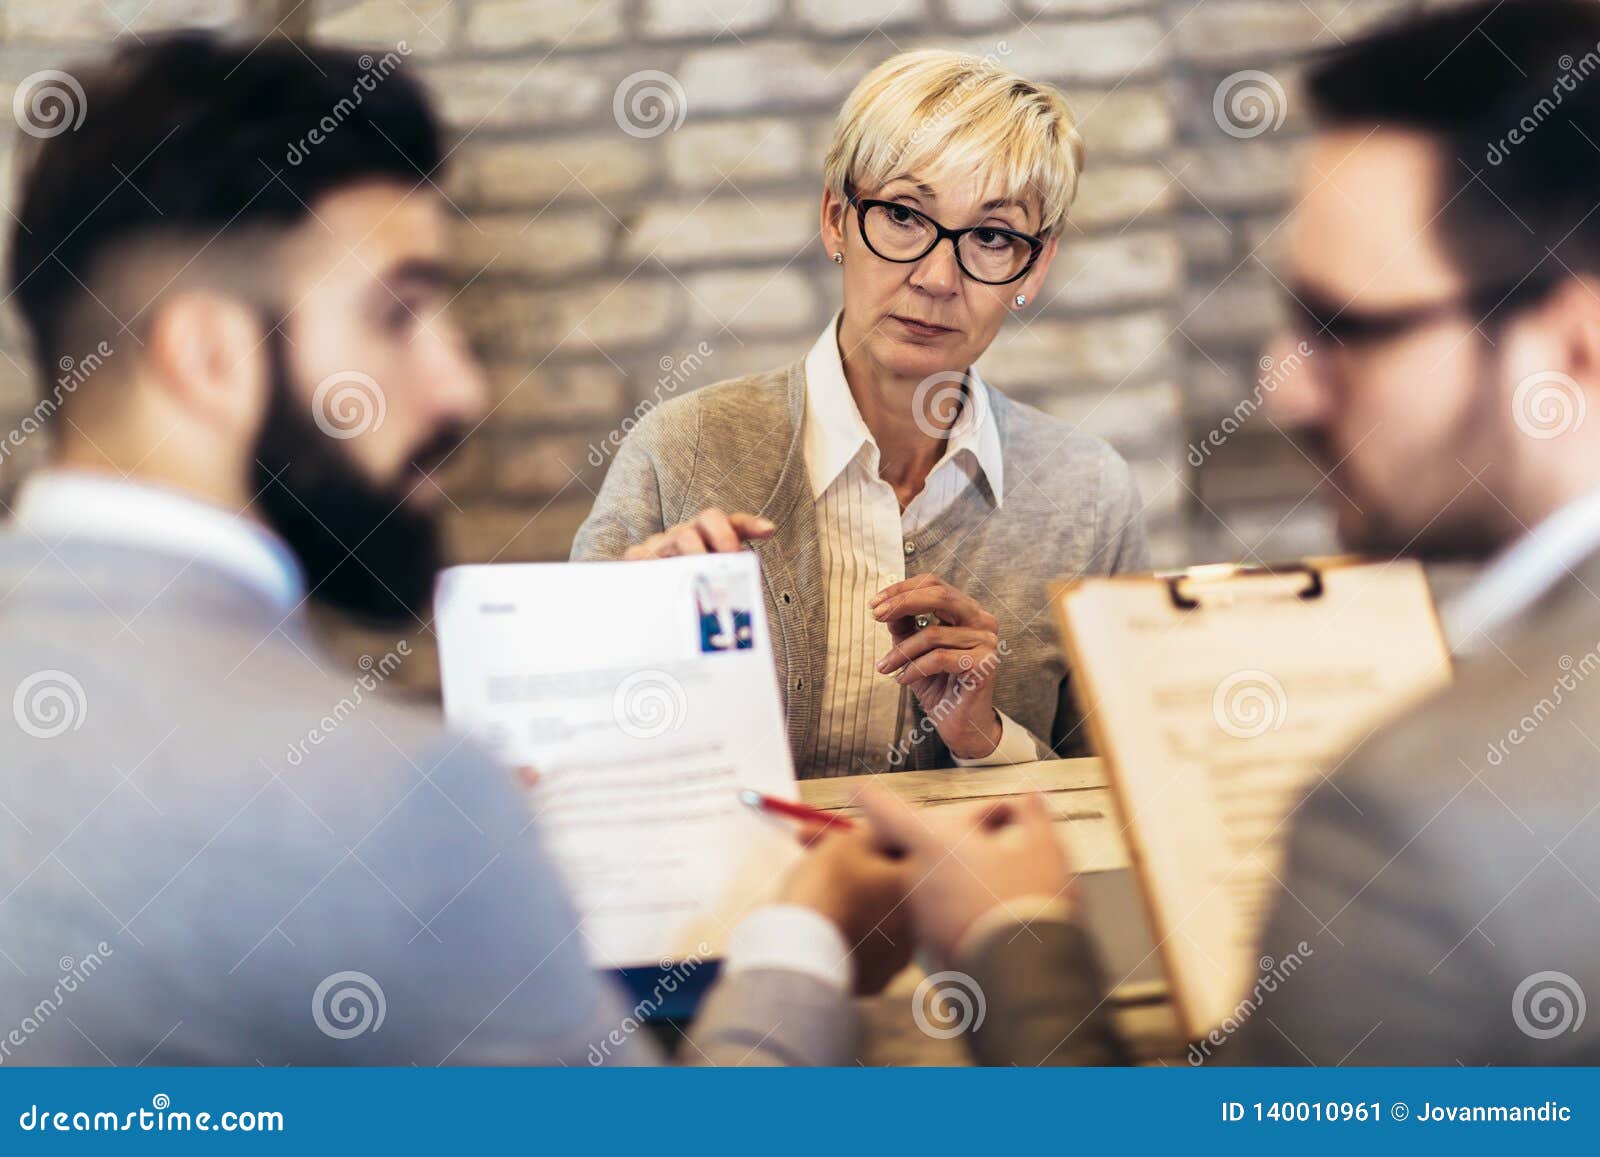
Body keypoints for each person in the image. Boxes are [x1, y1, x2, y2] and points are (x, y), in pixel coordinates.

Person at [0, 32, 907, 1066]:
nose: (459, 386)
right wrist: (808, 937)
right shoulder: (392, 806)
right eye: (397, 311)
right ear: (210, 355)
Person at [848, 0, 1600, 1066]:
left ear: (1574, 348)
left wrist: (1009, 933)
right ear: (838, 219)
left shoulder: (1410, 814)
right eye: (904, 218)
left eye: (1350, 329)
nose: (1283, 390)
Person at [572, 50, 1150, 779]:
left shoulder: (1091, 496)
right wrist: (623, 639)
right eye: (905, 216)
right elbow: (562, 763)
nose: (938, 278)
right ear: (837, 219)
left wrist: (987, 736)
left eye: (992, 237)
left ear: (1033, 267)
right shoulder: (678, 452)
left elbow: (1132, 798)